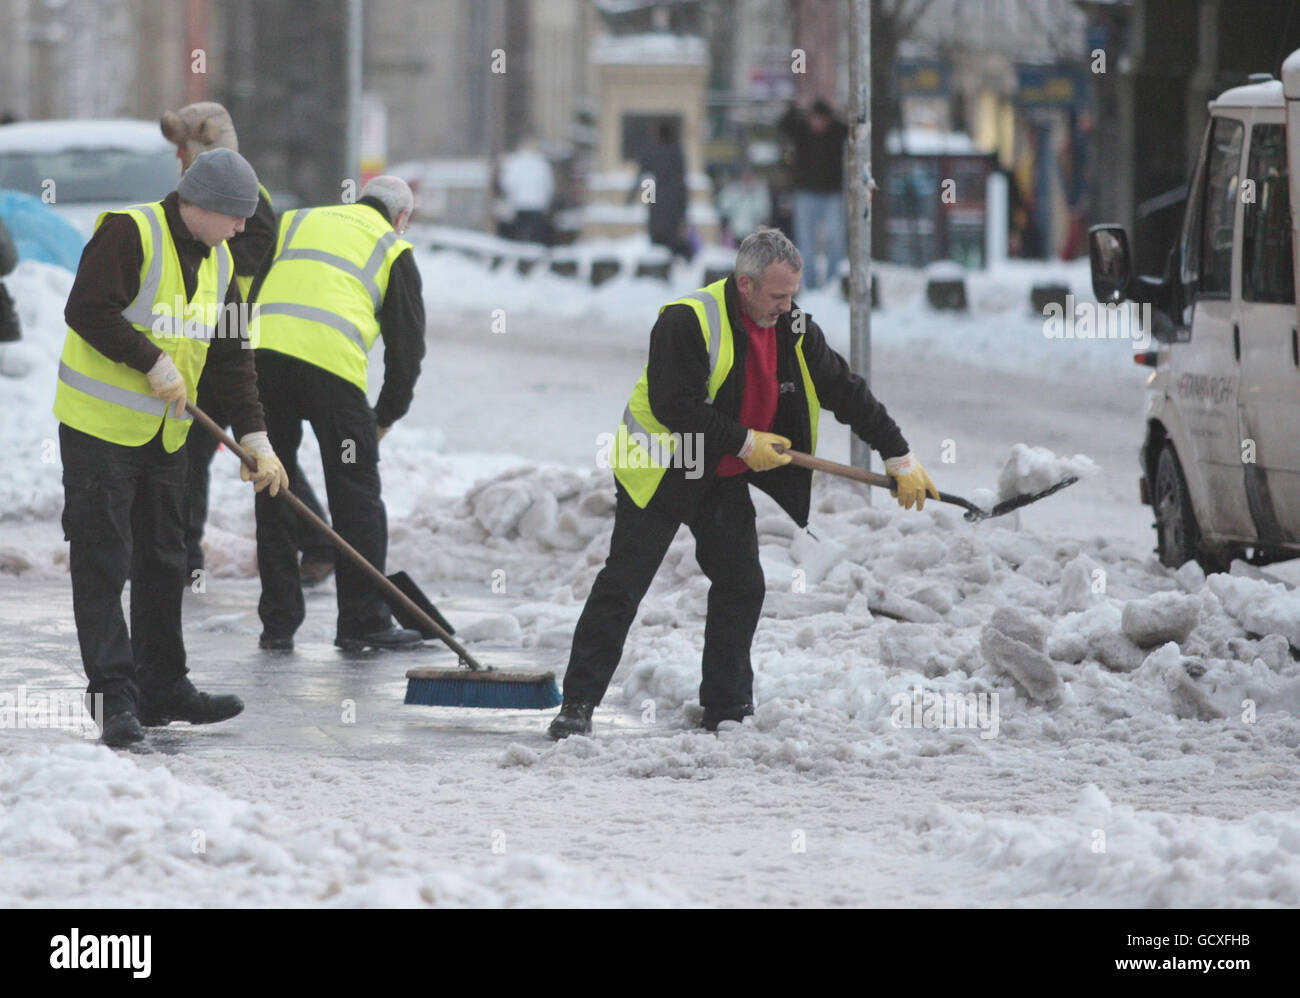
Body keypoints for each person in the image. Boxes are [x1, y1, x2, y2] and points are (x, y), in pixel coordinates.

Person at [548, 228, 938, 739]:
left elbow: (843, 389)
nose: (787, 305)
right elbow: (675, 406)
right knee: (625, 583)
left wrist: (898, 452)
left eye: (793, 294)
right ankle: (576, 705)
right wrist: (745, 441)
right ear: (746, 284)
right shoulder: (686, 320)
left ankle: (726, 707)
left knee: (742, 583)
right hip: (665, 464)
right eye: (778, 296)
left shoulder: (792, 326)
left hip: (722, 471)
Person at [56, 147, 289, 748]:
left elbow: (235, 357)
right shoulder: (129, 233)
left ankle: (163, 686)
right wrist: (151, 359)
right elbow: (85, 309)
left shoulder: (220, 261)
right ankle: (114, 702)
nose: (242, 229)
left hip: (166, 438)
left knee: (164, 562)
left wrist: (255, 435)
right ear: (204, 205)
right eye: (236, 217)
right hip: (99, 430)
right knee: (103, 564)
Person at [160, 102, 335, 585]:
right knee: (209, 449)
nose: (178, 160)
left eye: (184, 151)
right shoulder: (217, 196)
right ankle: (186, 553)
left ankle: (316, 542)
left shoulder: (243, 201)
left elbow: (234, 275)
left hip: (235, 340)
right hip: (218, 339)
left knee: (249, 449)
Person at [249, 175, 426, 652]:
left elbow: (251, 291)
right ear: (402, 218)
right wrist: (384, 417)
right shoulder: (393, 249)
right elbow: (406, 350)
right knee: (356, 496)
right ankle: (362, 622)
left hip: (264, 361)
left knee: (273, 485)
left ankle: (278, 622)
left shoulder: (295, 221)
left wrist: (240, 374)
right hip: (332, 373)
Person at [778, 99, 849, 288]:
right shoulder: (802, 131)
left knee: (835, 238)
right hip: (805, 194)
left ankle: (832, 282)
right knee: (806, 242)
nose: (817, 124)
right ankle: (808, 283)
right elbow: (784, 126)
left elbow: (851, 129)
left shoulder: (836, 132)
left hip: (831, 194)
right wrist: (794, 107)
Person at [630, 121, 691, 261]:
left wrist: (644, 200)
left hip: (657, 204)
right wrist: (683, 209)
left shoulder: (651, 151)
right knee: (671, 243)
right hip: (673, 205)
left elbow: (644, 177)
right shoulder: (677, 153)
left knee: (656, 245)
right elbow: (681, 182)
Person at [497, 137, 554, 244]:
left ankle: (519, 252)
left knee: (518, 234)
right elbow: (548, 185)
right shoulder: (541, 163)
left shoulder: (514, 162)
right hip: (537, 203)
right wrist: (546, 201)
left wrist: (509, 198)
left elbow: (507, 183)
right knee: (535, 235)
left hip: (518, 203)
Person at [716, 165, 772, 247]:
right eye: (745, 176)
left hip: (753, 232)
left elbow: (763, 212)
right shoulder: (732, 190)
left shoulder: (760, 191)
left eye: (749, 176)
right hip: (736, 232)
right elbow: (723, 207)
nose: (747, 179)